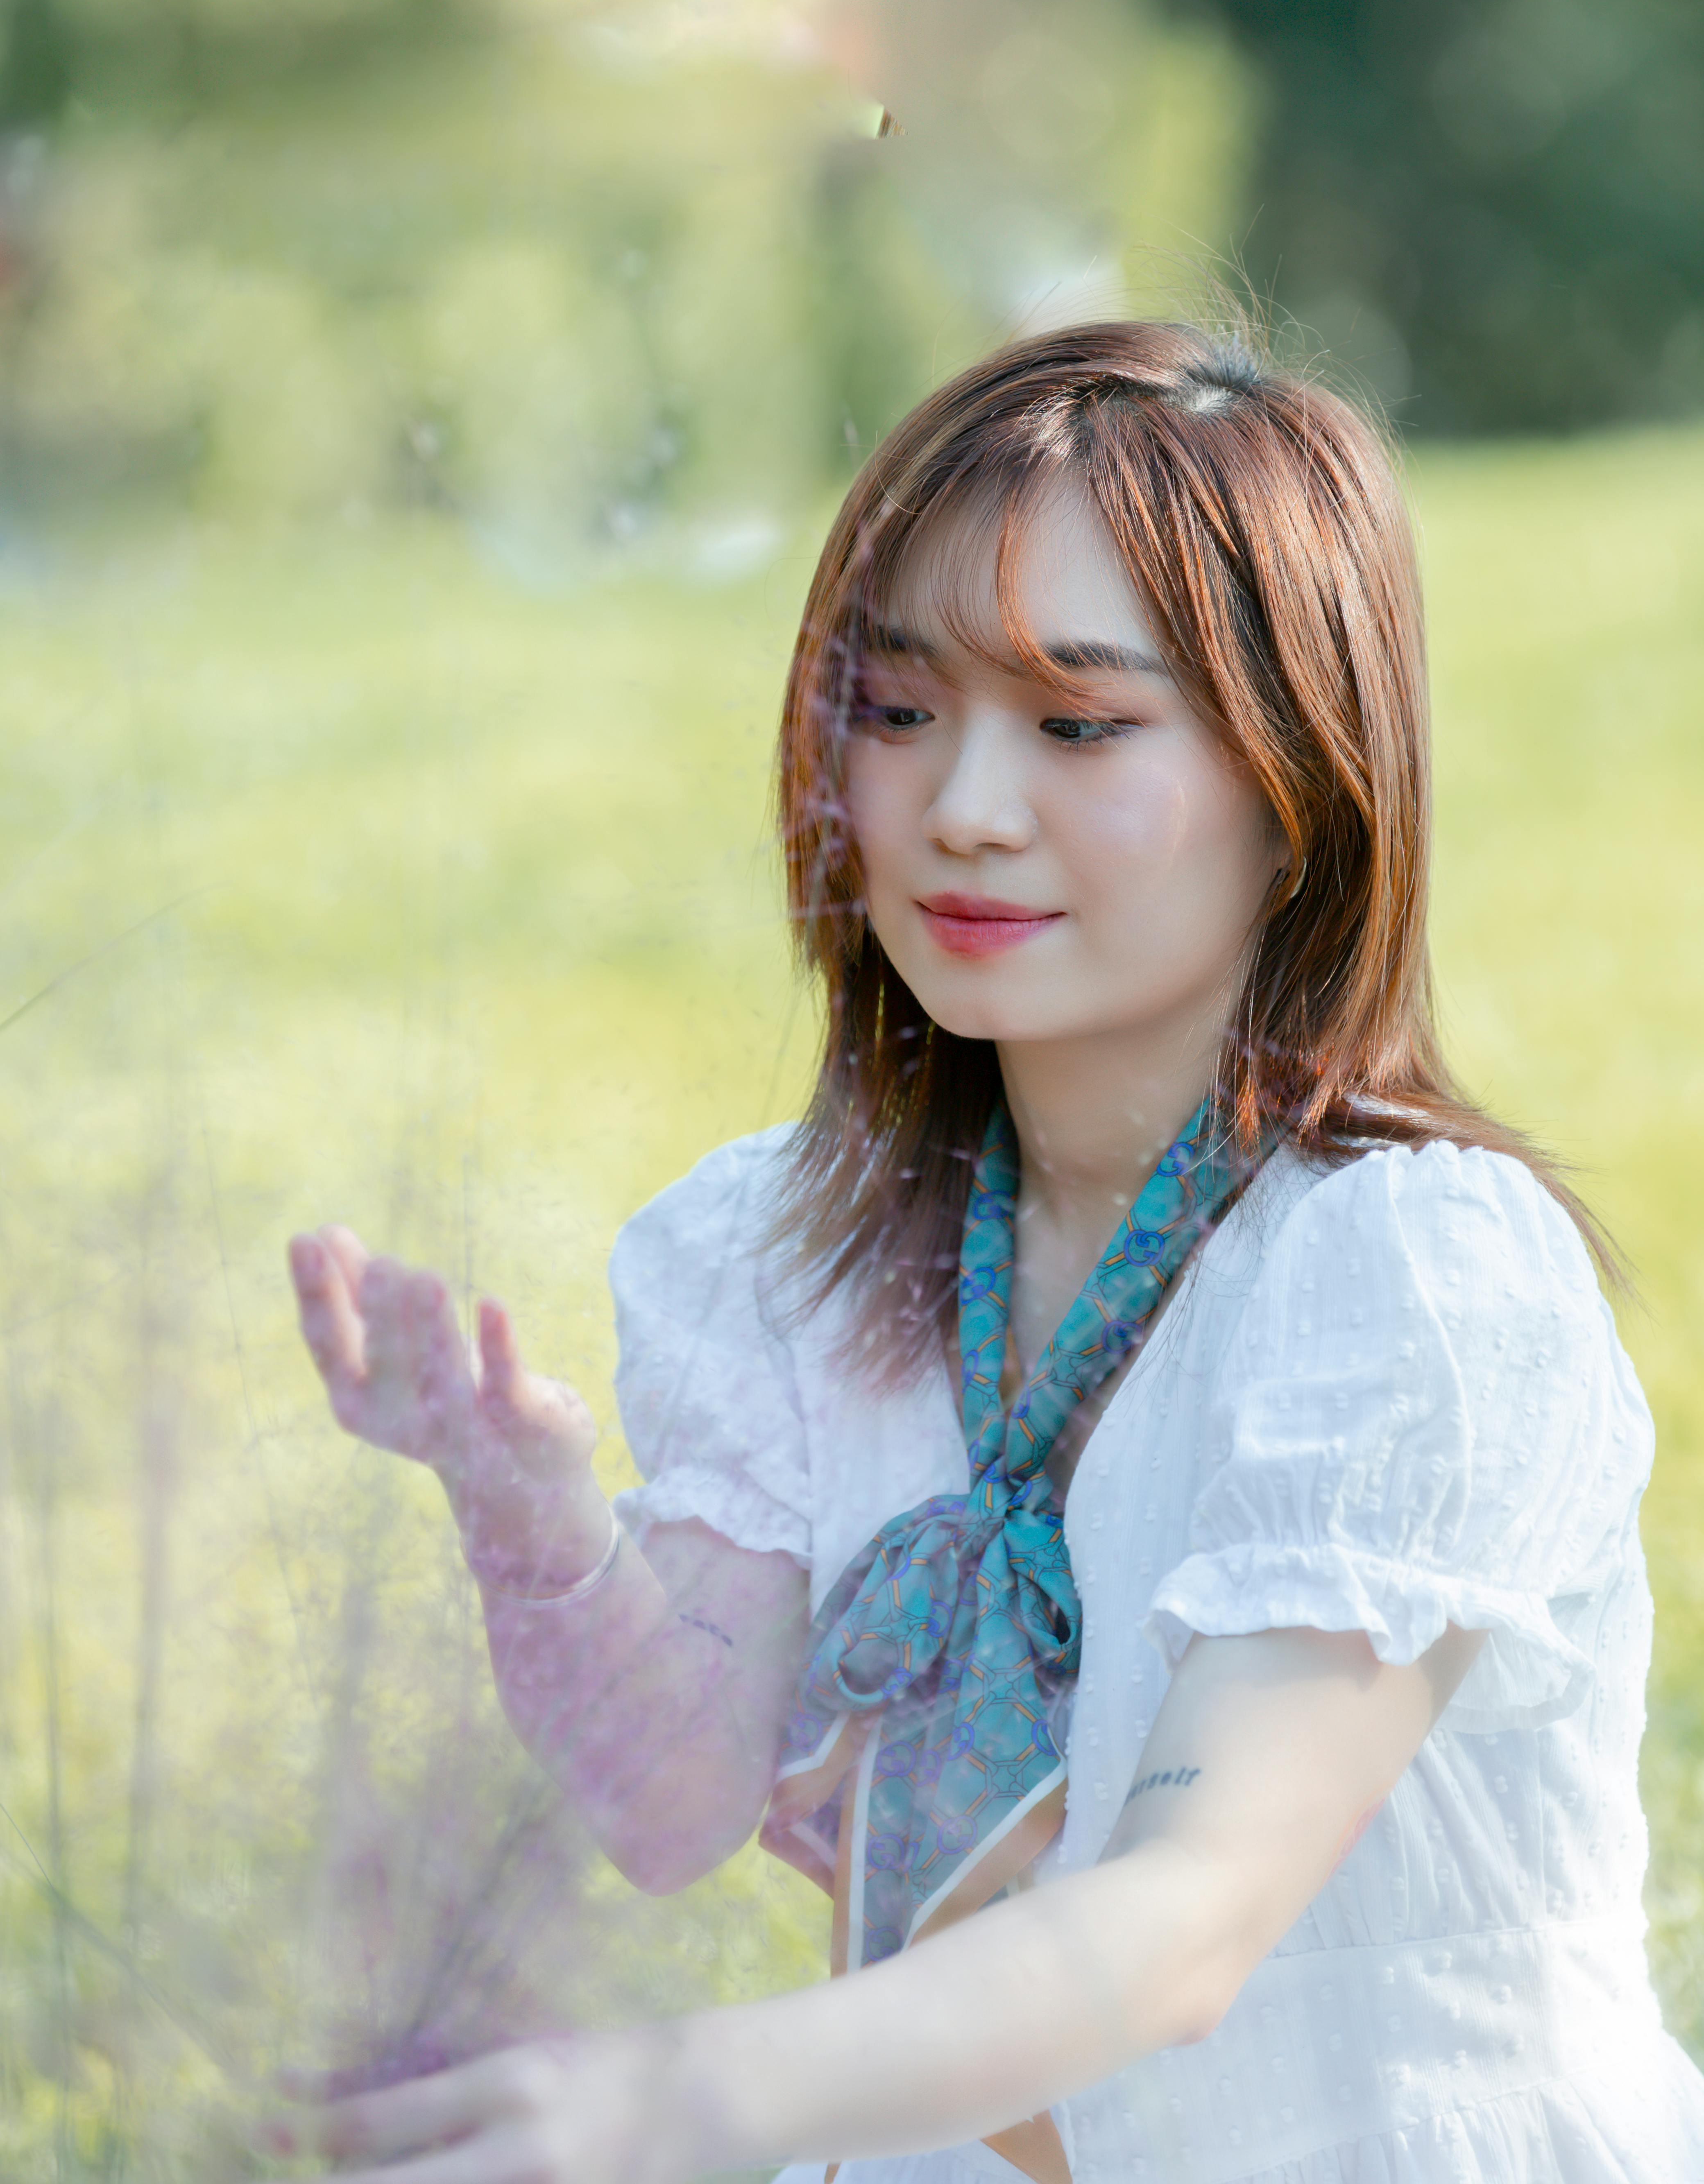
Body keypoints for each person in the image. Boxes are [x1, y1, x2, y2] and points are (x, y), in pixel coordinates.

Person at [283, 321, 1704, 2183]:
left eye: (1077, 724)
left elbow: (1183, 1922)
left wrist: (664, 2102)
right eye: (895, 712)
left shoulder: (1403, 1282)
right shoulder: (795, 1258)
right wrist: (532, 1508)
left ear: (1300, 790)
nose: (958, 805)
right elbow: (668, 1802)